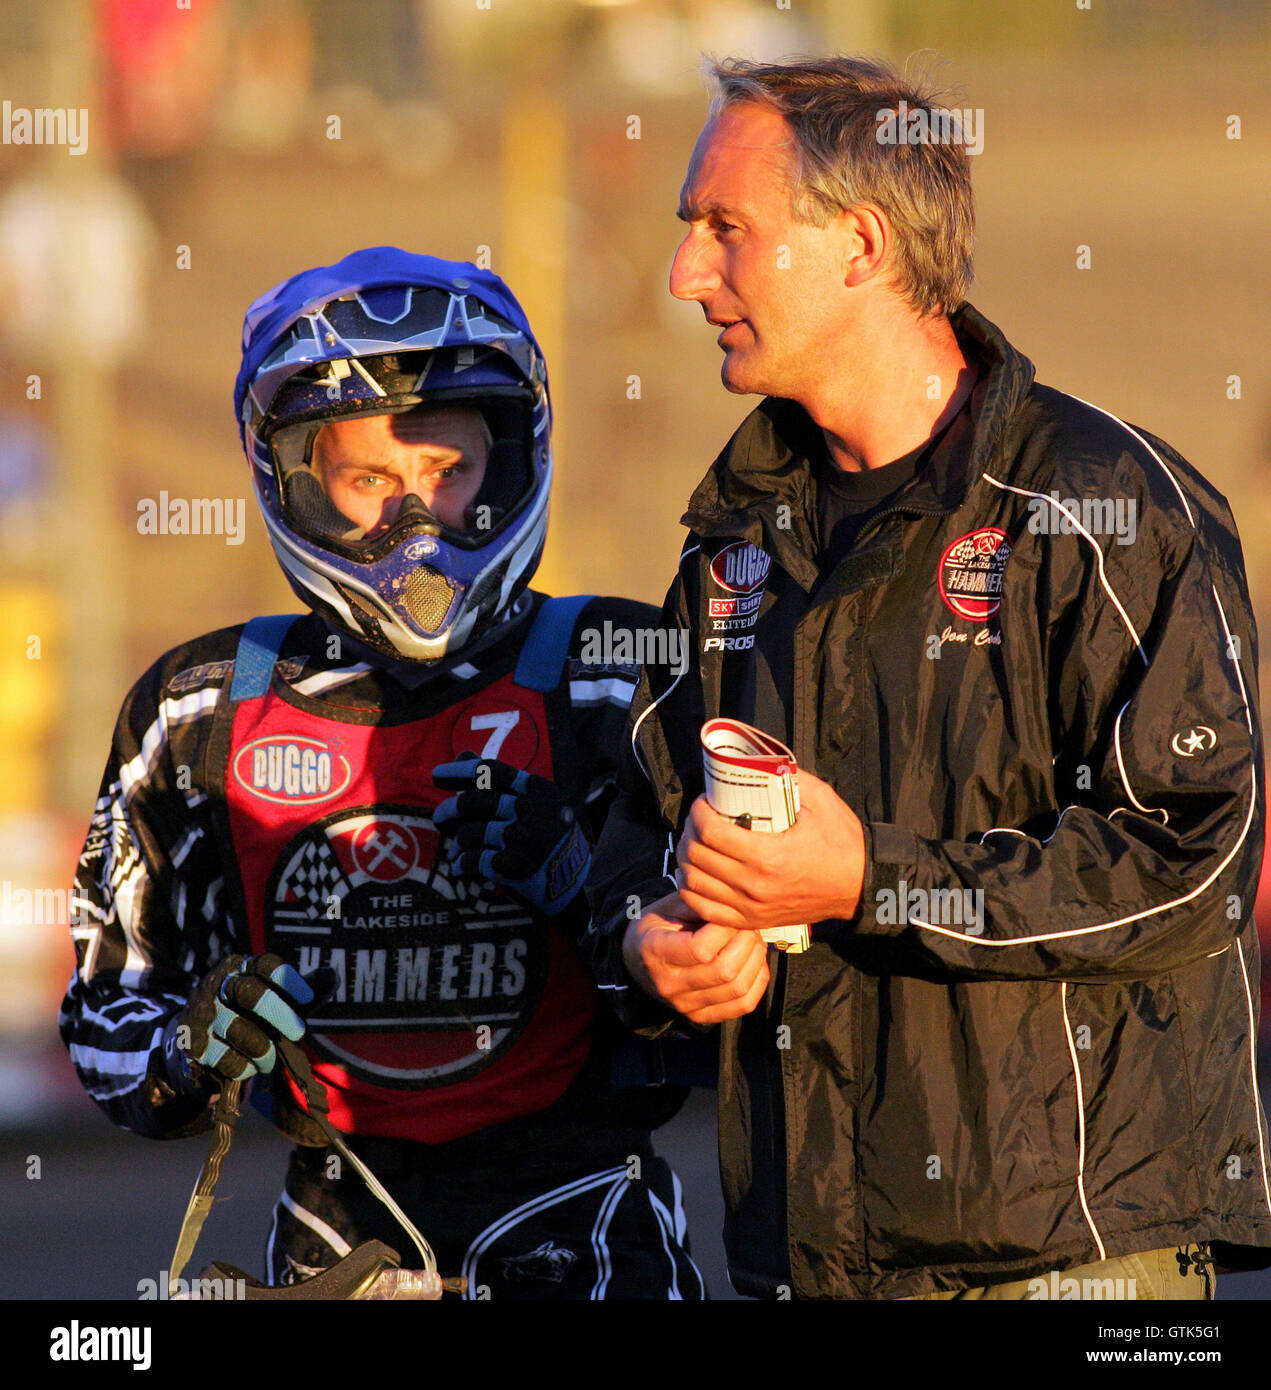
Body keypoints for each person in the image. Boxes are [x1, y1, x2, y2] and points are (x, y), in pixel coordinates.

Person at [584, 56, 1271, 1300]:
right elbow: (637, 825)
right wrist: (649, 944)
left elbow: (1193, 869)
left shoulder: (1102, 507)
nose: (684, 274)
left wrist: (872, 881)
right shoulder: (733, 541)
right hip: (803, 1264)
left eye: (721, 229)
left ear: (856, 244)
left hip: (1072, 1270)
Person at [59, 247, 703, 1301]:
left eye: (447, 474)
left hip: (589, 1229)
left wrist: (587, 885)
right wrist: (193, 1041)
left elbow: (742, 1004)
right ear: (295, 482)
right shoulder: (199, 706)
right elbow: (104, 1019)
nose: (415, 521)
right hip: (339, 1232)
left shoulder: (619, 675)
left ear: (511, 457)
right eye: (370, 480)